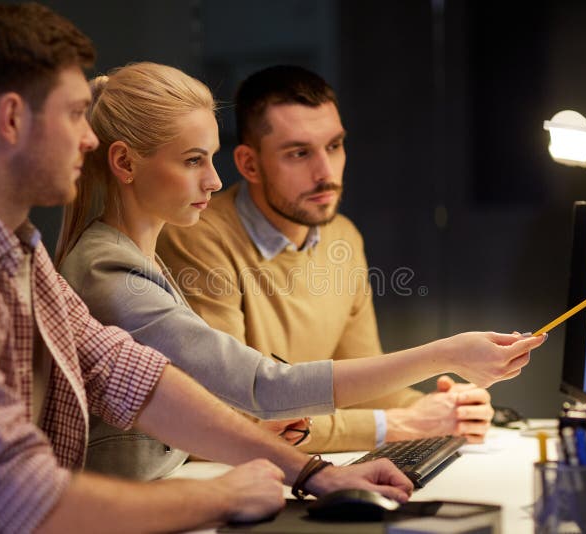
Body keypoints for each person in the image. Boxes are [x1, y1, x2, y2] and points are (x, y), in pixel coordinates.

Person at [0, 6, 421, 532]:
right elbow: (15, 494)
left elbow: (128, 375)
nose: (89, 138)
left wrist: (313, 473)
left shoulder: (15, 248)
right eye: (73, 114)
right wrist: (223, 496)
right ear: (12, 119)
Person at [55, 59, 546, 480]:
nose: (212, 178)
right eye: (192, 161)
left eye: (334, 146)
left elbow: (196, 413)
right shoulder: (116, 268)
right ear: (124, 162)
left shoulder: (143, 256)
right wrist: (444, 357)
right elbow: (260, 388)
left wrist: (434, 409)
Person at [157, 65, 507, 453]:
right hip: (224, 473)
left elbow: (365, 386)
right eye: (299, 153)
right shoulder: (196, 238)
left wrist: (442, 408)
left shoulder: (342, 236)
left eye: (334, 146)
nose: (325, 173)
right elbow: (232, 414)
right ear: (249, 164)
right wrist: (398, 424)